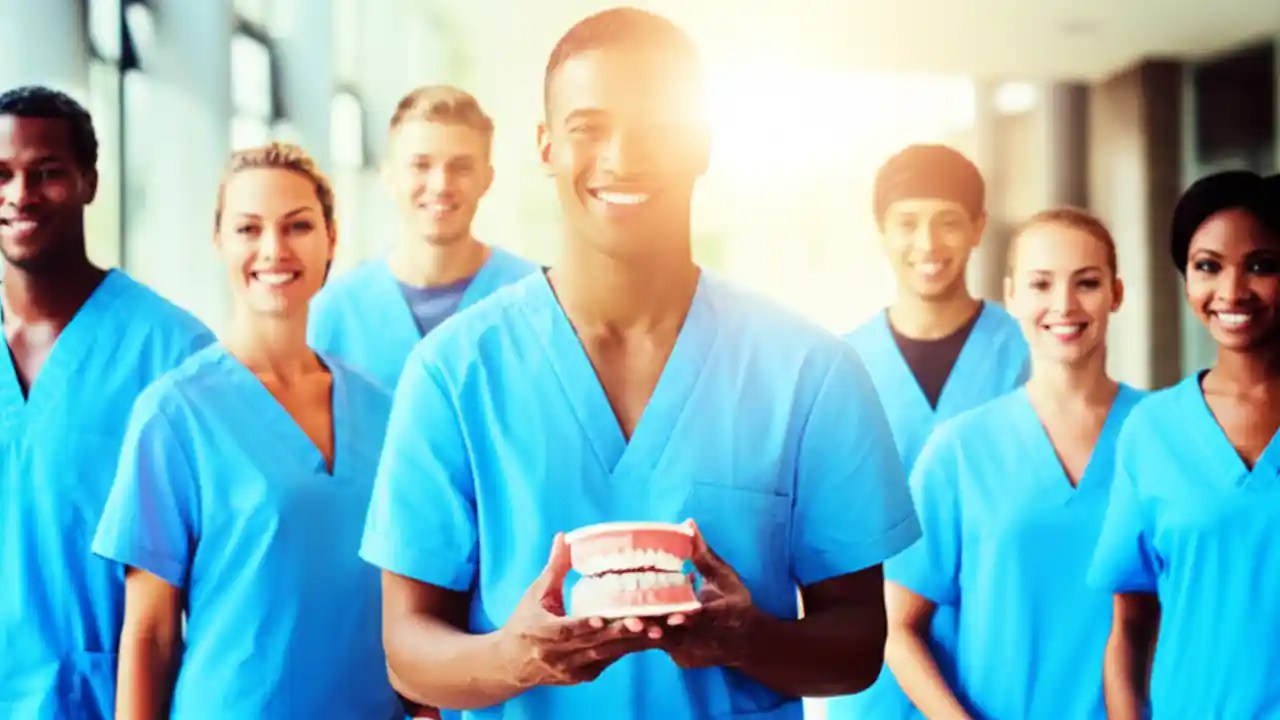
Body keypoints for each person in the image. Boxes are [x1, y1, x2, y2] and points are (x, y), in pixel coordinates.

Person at [359, 7, 920, 720]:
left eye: (658, 127)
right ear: (545, 147)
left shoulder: (811, 375)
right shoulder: (453, 374)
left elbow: (858, 647)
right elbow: (407, 651)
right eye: (588, 129)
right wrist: (516, 657)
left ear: (704, 145)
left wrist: (744, 638)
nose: (623, 157)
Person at [91, 143, 401, 719]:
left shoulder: (384, 410)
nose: (273, 249)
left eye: (298, 226)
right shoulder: (174, 414)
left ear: (332, 238)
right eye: (248, 228)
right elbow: (149, 633)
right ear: (219, 241)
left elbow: (411, 598)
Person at [0, 85, 213, 718]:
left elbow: (218, 567)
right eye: (3, 175)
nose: (20, 195)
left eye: (47, 174)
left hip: (109, 699)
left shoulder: (175, 353)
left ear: (90, 181)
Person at [883, 208, 1143, 719]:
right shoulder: (958, 451)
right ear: (1012, 296)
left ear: (1116, 293)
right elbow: (897, 629)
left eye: (1086, 283)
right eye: (1041, 284)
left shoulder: (1162, 434)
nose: (1063, 305)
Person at [830, 144, 1028, 720]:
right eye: (907, 223)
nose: (928, 244)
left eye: (948, 221)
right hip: (874, 672)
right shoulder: (842, 365)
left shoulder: (1026, 353)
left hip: (997, 653)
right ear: (881, 231)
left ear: (977, 229)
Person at [1090, 170, 1280, 719]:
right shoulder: (1153, 432)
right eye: (1208, 267)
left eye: (1263, 265)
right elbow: (1128, 629)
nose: (1233, 291)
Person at [308, 85, 537, 390]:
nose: (441, 184)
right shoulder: (334, 313)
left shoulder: (535, 301)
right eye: (420, 165)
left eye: (461, 167)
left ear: (487, 179)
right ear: (389, 177)